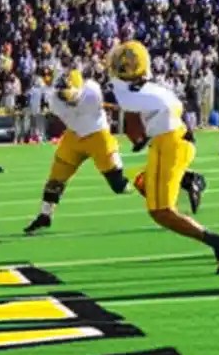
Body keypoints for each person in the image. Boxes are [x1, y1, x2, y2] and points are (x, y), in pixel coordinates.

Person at [106, 41, 219, 275]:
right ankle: (189, 182)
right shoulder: (146, 90)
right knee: (142, 184)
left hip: (173, 144)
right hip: (165, 142)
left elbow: (126, 105)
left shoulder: (140, 92)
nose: (120, 68)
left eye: (124, 65)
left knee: (162, 211)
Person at [25, 69, 206, 234]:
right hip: (73, 136)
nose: (69, 100)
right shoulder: (55, 98)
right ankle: (45, 215)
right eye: (64, 97)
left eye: (71, 96)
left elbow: (122, 102)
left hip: (98, 138)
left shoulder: (93, 91)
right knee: (55, 179)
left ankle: (185, 179)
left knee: (121, 185)